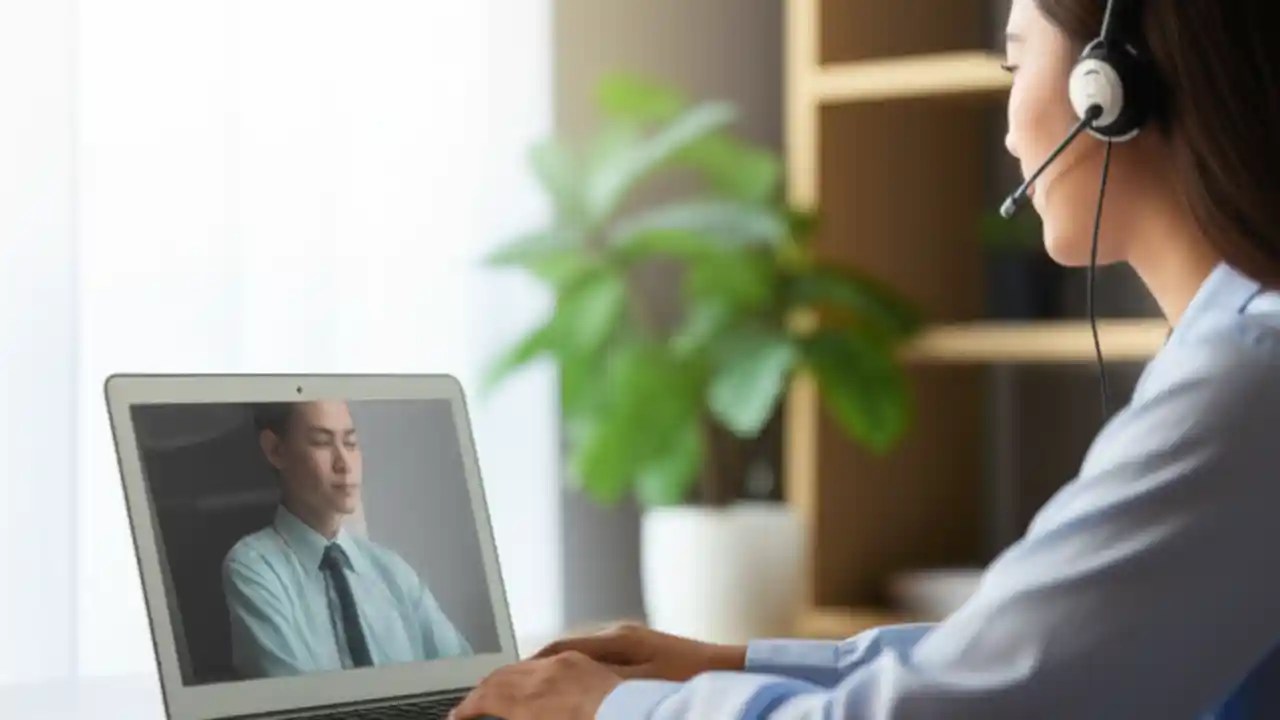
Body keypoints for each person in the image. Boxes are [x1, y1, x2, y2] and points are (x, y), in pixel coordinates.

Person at [451, 1, 1280, 718]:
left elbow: (977, 711)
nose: (1007, 123)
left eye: (1016, 61)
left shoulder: (1251, 374)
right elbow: (1020, 659)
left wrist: (617, 708)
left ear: (1109, 88)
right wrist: (732, 665)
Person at [223, 400, 472, 679]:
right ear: (276, 450)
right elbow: (297, 703)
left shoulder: (391, 570)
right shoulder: (255, 567)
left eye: (351, 443)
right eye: (321, 442)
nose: (344, 464)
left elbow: (467, 677)